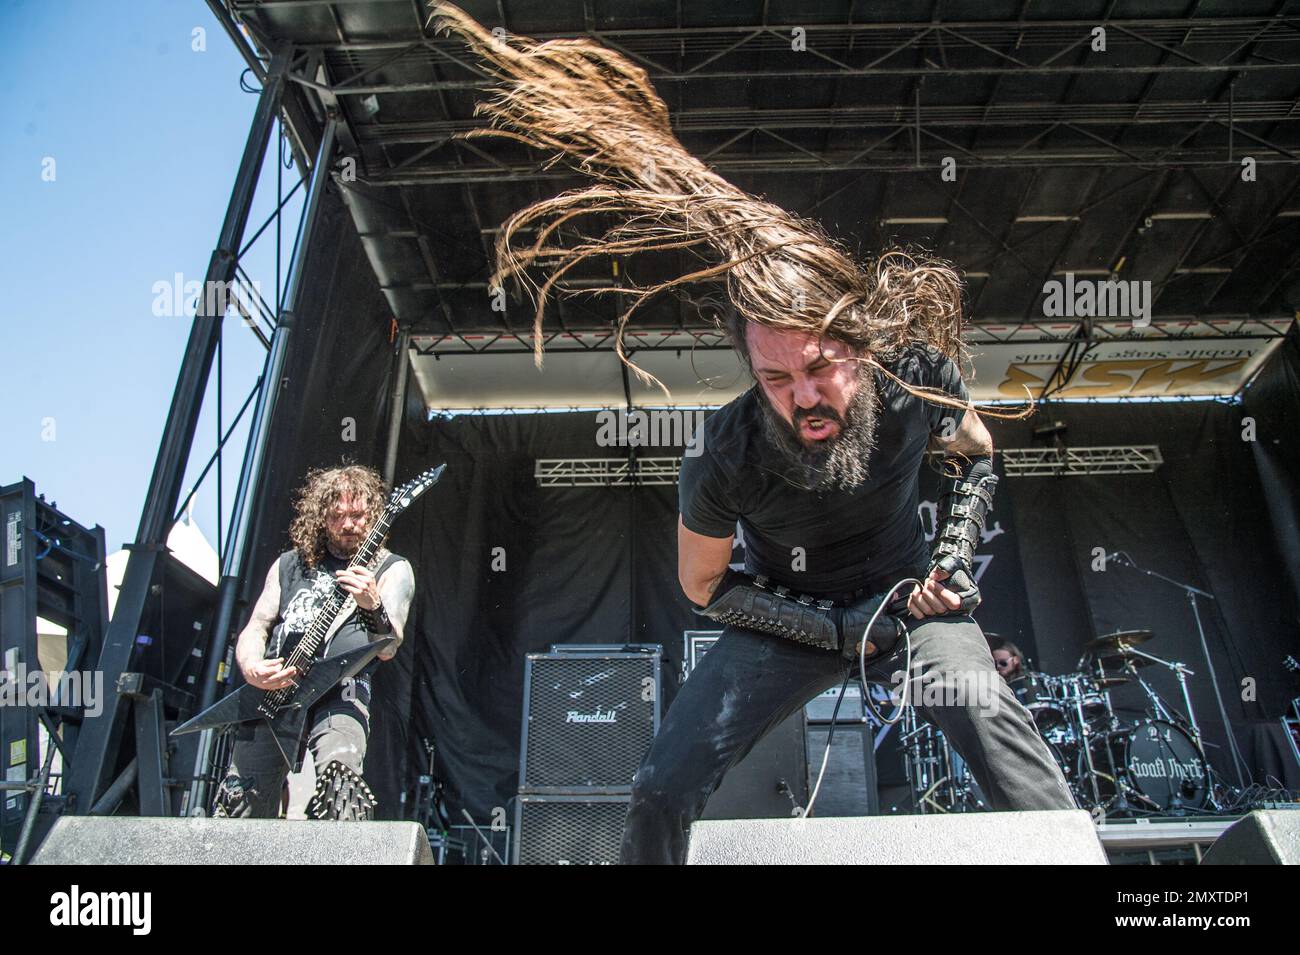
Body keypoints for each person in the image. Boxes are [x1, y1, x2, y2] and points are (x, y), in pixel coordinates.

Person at [428, 4, 1076, 863]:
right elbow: (703, 586)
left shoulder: (915, 377)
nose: (803, 397)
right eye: (775, 379)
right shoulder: (723, 452)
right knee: (660, 784)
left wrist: (951, 563)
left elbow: (977, 454)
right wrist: (825, 627)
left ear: (859, 345)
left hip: (908, 606)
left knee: (1001, 735)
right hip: (787, 623)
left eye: (820, 368)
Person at [212, 464, 414, 820]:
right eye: (337, 516)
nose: (348, 524)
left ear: (373, 515)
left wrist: (372, 604)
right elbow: (256, 627)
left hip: (343, 689)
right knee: (240, 799)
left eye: (357, 515)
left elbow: (388, 648)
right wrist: (252, 666)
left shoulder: (392, 568)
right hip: (276, 691)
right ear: (321, 516)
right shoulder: (289, 565)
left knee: (342, 788)